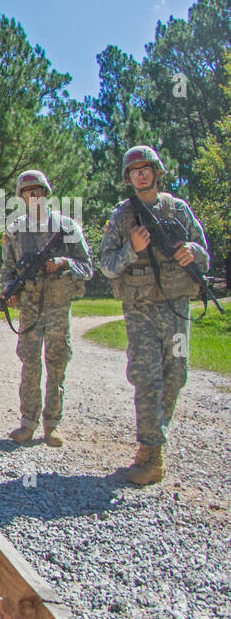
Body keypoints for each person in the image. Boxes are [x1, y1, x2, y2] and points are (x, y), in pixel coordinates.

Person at [99, 145, 210, 485]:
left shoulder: (178, 209)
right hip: (140, 310)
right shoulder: (121, 216)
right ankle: (151, 453)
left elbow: (204, 254)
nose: (140, 175)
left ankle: (152, 445)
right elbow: (106, 265)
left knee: (175, 373)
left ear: (157, 172)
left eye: (145, 169)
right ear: (128, 178)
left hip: (176, 307)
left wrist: (193, 251)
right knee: (148, 377)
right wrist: (133, 247)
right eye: (134, 171)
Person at [1, 169, 93, 446]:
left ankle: (52, 424)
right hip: (29, 308)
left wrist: (65, 263)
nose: (35, 196)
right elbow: (7, 271)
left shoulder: (66, 228)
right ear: (22, 197)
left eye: (39, 191)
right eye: (29, 193)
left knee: (56, 363)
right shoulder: (15, 232)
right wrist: (8, 291)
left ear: (46, 194)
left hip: (57, 306)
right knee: (30, 364)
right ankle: (27, 423)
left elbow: (88, 267)